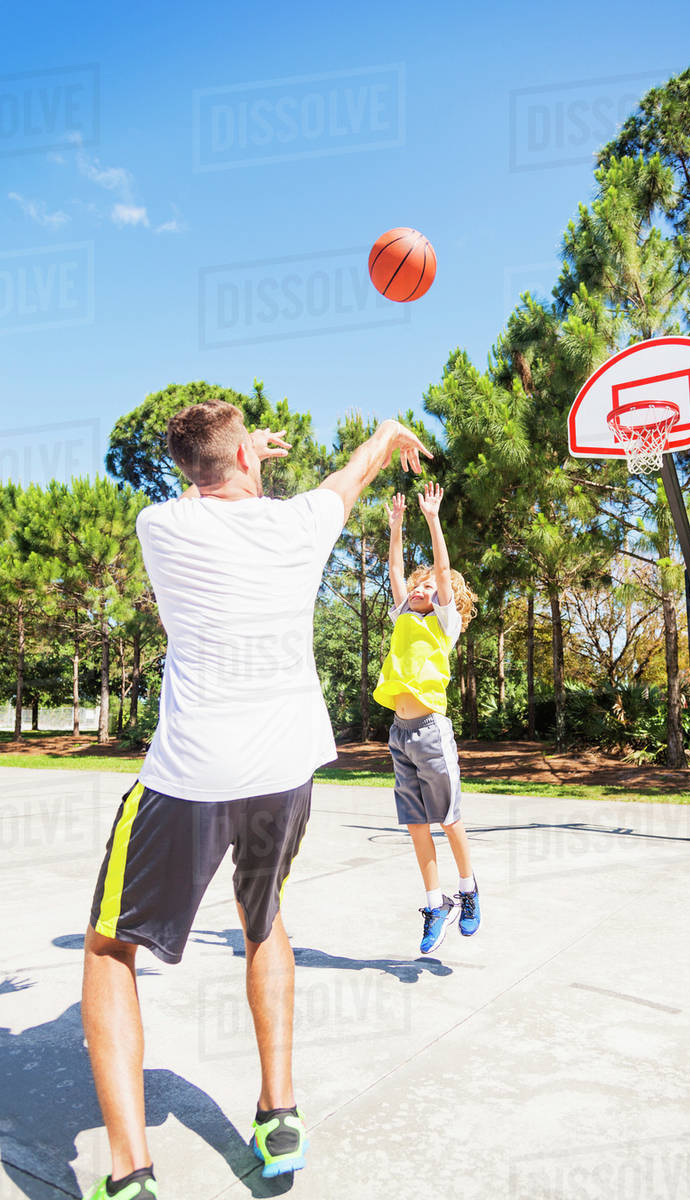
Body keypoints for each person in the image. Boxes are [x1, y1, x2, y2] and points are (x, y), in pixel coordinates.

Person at [81, 399, 431, 1199]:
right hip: (286, 768)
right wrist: (384, 434)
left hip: (192, 777)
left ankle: (131, 1174)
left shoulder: (160, 525)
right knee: (263, 918)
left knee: (108, 947)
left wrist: (241, 459)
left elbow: (214, 481)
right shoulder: (300, 526)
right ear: (245, 459)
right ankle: (279, 1116)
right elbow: (355, 471)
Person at [374, 482, 480, 956]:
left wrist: (433, 519)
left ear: (444, 599)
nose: (419, 588)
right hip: (400, 733)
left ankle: (469, 888)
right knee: (417, 824)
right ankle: (435, 904)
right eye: (417, 586)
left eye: (429, 587)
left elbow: (440, 567)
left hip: (432, 732)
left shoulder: (444, 623)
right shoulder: (403, 611)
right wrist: (396, 526)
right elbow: (396, 568)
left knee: (448, 820)